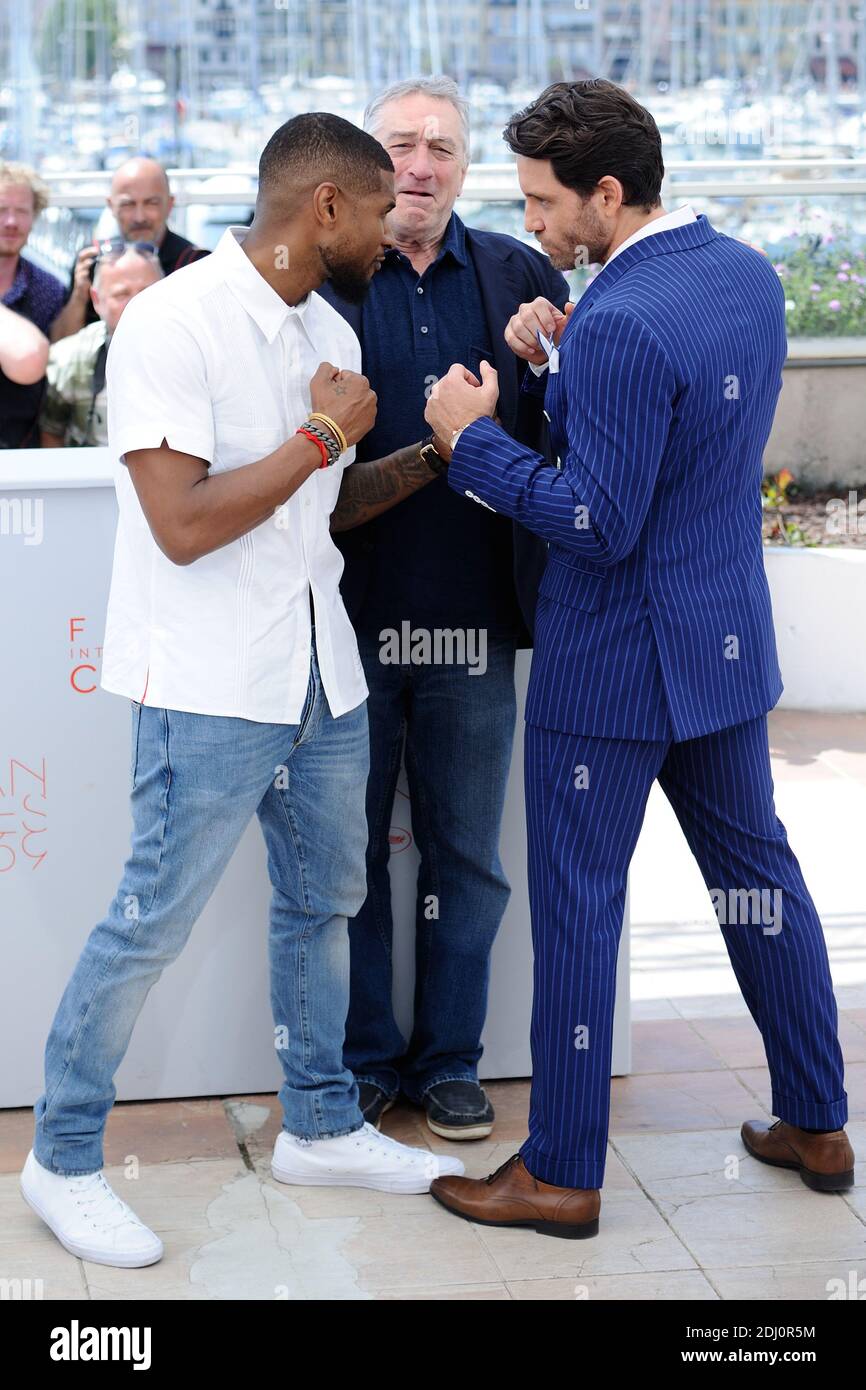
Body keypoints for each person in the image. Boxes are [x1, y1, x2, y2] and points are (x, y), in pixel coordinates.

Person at [21, 112, 464, 1272]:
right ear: (324, 206)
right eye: (379, 208)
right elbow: (182, 524)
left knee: (323, 902)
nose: (396, 223)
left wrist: (423, 459)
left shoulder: (328, 327)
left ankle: (319, 1124)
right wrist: (323, 434)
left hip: (320, 664)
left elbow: (317, 507)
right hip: (208, 679)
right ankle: (62, 1157)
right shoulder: (173, 321)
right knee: (147, 923)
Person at [424, 78, 853, 1237]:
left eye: (546, 203)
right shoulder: (739, 274)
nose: (535, 228)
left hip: (611, 664)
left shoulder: (616, 319)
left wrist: (473, 443)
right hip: (715, 648)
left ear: (608, 193)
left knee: (578, 908)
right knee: (759, 886)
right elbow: (674, 438)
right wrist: (560, 361)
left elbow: (595, 519)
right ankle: (817, 1117)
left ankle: (559, 1171)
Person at [319, 77, 570, 1141]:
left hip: (476, 628)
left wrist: (549, 361)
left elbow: (565, 442)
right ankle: (369, 1060)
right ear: (366, 165)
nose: (420, 164)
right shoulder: (327, 281)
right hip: (346, 626)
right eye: (400, 145)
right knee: (354, 857)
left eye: (441, 148)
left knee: (465, 856)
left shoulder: (521, 276)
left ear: (465, 170)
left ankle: (453, 1063)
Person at [50, 157, 207, 343]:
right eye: (128, 204)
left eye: (151, 203)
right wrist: (79, 296)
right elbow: (60, 347)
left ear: (170, 204)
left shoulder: (198, 264)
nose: (139, 217)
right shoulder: (92, 260)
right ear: (111, 206)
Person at [40, 246, 163, 448]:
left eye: (146, 291)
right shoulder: (70, 357)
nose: (136, 303)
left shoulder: (194, 352)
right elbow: (51, 434)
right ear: (96, 300)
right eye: (121, 294)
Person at [0, 162, 66, 447]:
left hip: (23, 452)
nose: (11, 222)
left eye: (22, 211)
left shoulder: (49, 290)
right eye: (1, 210)